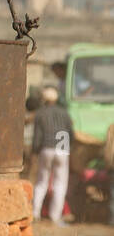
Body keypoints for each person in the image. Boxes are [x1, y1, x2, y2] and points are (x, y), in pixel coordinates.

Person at [31, 86, 74, 225]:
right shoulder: (65, 113)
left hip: (46, 149)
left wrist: (35, 151)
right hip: (63, 149)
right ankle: (55, 217)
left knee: (41, 181)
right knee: (60, 184)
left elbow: (37, 136)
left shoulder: (40, 113)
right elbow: (71, 133)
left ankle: (35, 213)